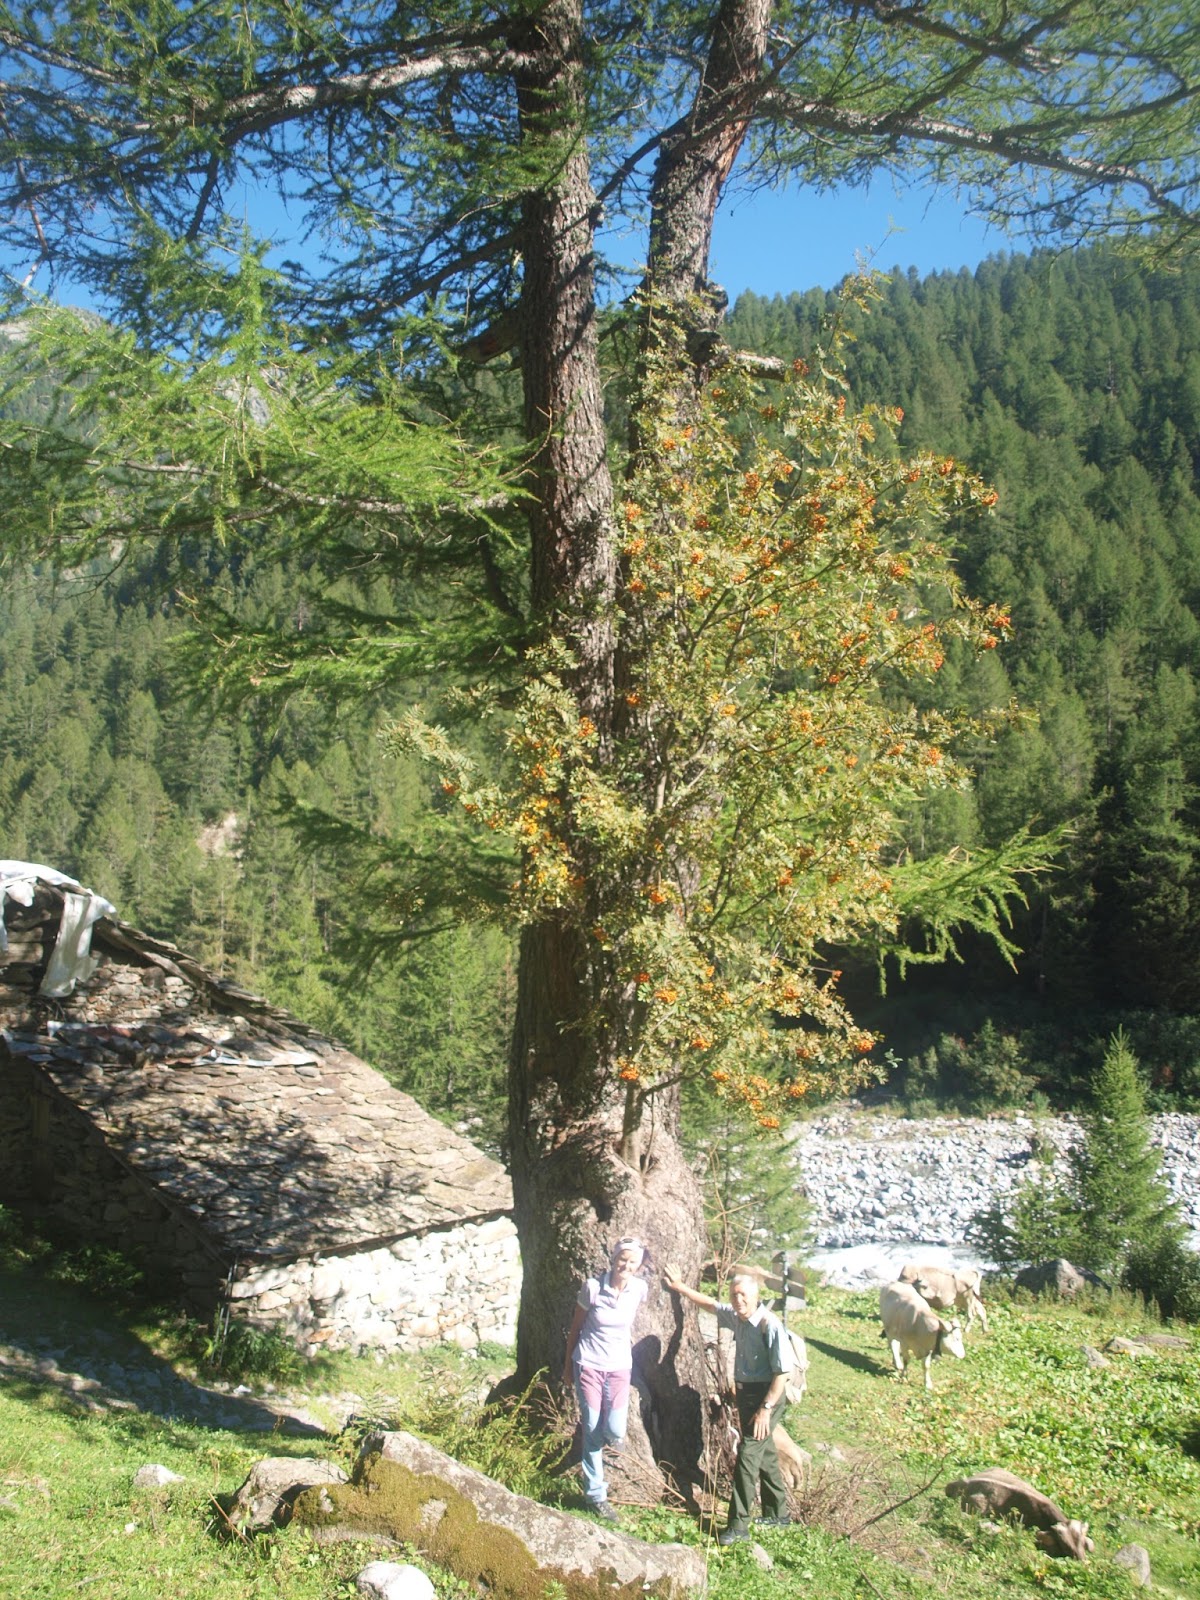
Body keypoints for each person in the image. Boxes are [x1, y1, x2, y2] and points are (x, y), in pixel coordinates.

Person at [661, 1266, 794, 1545]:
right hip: (746, 1395)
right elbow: (710, 1304)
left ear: (756, 1297)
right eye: (735, 1295)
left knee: (747, 1456)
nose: (738, 1300)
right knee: (766, 1453)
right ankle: (777, 1514)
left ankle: (738, 1526)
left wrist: (765, 1409)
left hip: (768, 1396)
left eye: (744, 1295)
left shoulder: (769, 1325)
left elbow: (782, 1374)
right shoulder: (737, 1318)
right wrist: (680, 1287)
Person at [561, 1237, 650, 1523]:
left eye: (632, 1261)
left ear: (638, 1266)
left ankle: (610, 1439)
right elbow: (575, 1328)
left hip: (620, 1366)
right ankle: (596, 1494)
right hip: (588, 1363)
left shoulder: (639, 1289)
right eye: (622, 1259)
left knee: (614, 1428)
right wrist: (567, 1367)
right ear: (613, 1260)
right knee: (591, 1428)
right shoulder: (592, 1287)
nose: (626, 1265)